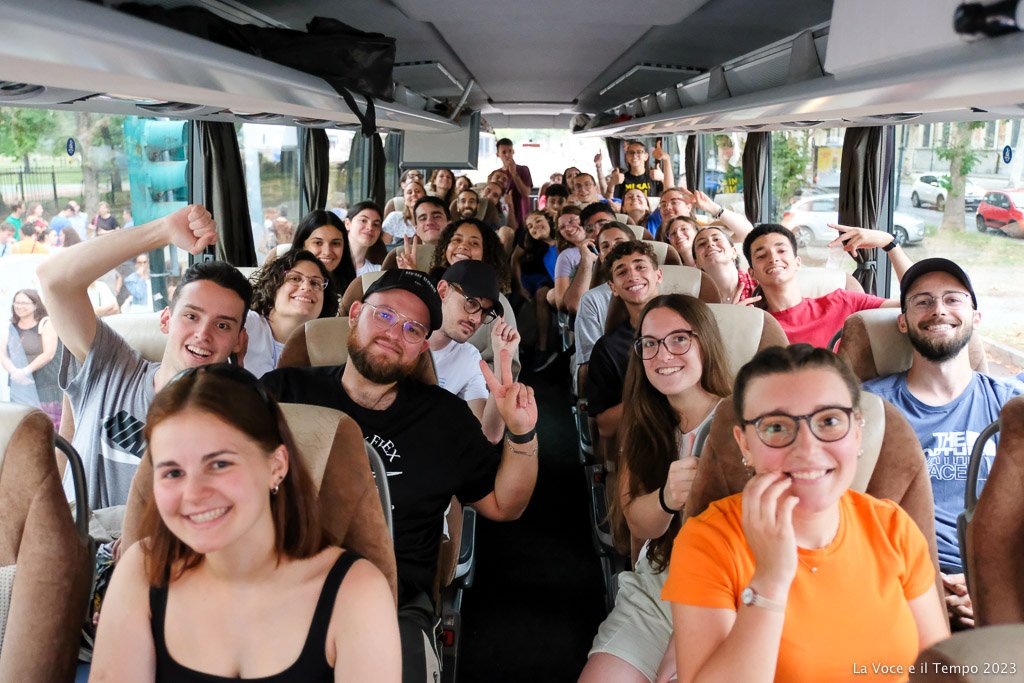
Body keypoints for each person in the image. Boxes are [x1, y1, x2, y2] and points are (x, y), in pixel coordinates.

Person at [261, 268, 539, 681]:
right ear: (355, 313)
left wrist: (522, 432)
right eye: (384, 315)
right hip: (279, 585)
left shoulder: (444, 418)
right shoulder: (281, 394)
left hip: (393, 599)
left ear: (422, 347)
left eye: (412, 329)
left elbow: (504, 505)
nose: (394, 333)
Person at [89, 364, 400, 682]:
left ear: (276, 466)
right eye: (172, 472)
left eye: (220, 464)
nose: (193, 494)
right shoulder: (142, 570)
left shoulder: (356, 593)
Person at [662, 344, 948, 683]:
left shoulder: (893, 527)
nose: (808, 448)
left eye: (829, 421)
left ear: (857, 433)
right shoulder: (708, 542)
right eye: (776, 427)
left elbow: (939, 668)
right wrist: (771, 579)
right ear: (745, 445)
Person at [37, 204, 251, 509]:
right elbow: (53, 280)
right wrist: (162, 231)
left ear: (238, 341)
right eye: (191, 316)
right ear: (165, 320)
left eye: (222, 325)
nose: (203, 334)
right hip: (75, 547)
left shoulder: (240, 422)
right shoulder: (111, 366)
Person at [862, 258, 1024, 630]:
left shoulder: (1012, 408)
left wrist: (991, 586)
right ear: (902, 322)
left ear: (975, 318)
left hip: (1008, 580)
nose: (938, 310)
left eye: (953, 300)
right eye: (922, 301)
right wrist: (928, 586)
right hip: (901, 587)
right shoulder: (869, 408)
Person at [580, 294, 730, 683]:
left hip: (731, 592)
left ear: (705, 343)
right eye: (650, 343)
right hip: (659, 583)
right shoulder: (644, 424)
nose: (663, 354)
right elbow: (639, 525)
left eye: (679, 339)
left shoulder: (741, 421)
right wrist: (667, 497)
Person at [742, 223, 909, 347]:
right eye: (761, 255)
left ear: (797, 263)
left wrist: (889, 243)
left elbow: (913, 305)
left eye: (781, 251)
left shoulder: (841, 302)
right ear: (752, 273)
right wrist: (732, 324)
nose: (773, 258)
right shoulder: (754, 327)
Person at [430, 260, 517, 444]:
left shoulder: (469, 357)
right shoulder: (401, 333)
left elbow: (488, 435)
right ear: (443, 291)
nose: (476, 318)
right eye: (471, 302)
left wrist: (502, 359)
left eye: (485, 312)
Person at [586, 241, 663, 446]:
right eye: (622, 272)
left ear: (659, 275)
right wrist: (657, 391)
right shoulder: (608, 349)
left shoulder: (691, 328)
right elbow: (605, 427)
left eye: (640, 267)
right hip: (646, 440)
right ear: (613, 288)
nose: (632, 275)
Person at [244, 249, 339, 379]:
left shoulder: (330, 349)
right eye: (295, 278)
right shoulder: (246, 324)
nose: (307, 287)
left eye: (315, 283)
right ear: (272, 285)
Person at [572, 223, 634, 386]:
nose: (613, 249)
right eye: (605, 246)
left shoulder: (659, 288)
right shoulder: (592, 299)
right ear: (600, 256)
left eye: (619, 243)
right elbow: (591, 360)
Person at [0, 289, 61, 428]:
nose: (19, 306)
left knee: (50, 425)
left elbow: (49, 353)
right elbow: (2, 354)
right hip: (19, 385)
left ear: (35, 305)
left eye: (24, 303)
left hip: (44, 384)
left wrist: (25, 371)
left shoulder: (46, 323)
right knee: (25, 425)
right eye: (16, 302)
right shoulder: (10, 327)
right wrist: (14, 372)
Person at [513, 211, 558, 366]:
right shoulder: (529, 243)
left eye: (539, 221)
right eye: (530, 226)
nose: (535, 227)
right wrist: (519, 287)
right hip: (530, 279)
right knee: (514, 299)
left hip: (549, 282)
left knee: (541, 295)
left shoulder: (562, 239)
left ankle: (542, 348)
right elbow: (515, 259)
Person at [286, 210, 359, 292]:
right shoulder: (285, 285)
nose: (327, 252)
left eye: (335, 243)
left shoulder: (353, 288)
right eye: (318, 243)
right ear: (302, 245)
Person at [692, 226, 760, 306]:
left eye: (716, 239)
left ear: (734, 252)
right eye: (702, 244)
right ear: (696, 263)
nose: (710, 244)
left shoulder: (759, 285)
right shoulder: (695, 300)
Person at [551, 206, 596, 313]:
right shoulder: (566, 256)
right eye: (562, 227)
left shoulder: (605, 243)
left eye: (572, 221)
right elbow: (561, 303)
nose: (568, 228)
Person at [609, 140, 675, 201]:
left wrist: (663, 178)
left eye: (639, 152)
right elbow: (610, 202)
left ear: (646, 156)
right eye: (631, 152)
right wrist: (612, 183)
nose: (634, 155)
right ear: (626, 157)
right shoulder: (621, 179)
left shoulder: (655, 176)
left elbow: (671, 193)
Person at [495, 138, 533, 228]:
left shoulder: (523, 170)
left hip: (522, 215)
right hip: (503, 216)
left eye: (510, 151)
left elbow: (526, 193)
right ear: (498, 155)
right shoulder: (495, 175)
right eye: (504, 152)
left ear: (513, 152)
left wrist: (514, 174)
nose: (508, 155)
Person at [343, 201, 387, 276]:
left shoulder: (378, 271)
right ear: (347, 224)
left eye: (376, 225)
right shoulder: (330, 262)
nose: (370, 228)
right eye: (363, 221)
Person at [382, 180, 426, 247]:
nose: (414, 194)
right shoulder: (394, 217)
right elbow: (383, 247)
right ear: (404, 200)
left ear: (425, 197)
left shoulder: (433, 220)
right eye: (409, 192)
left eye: (418, 191)